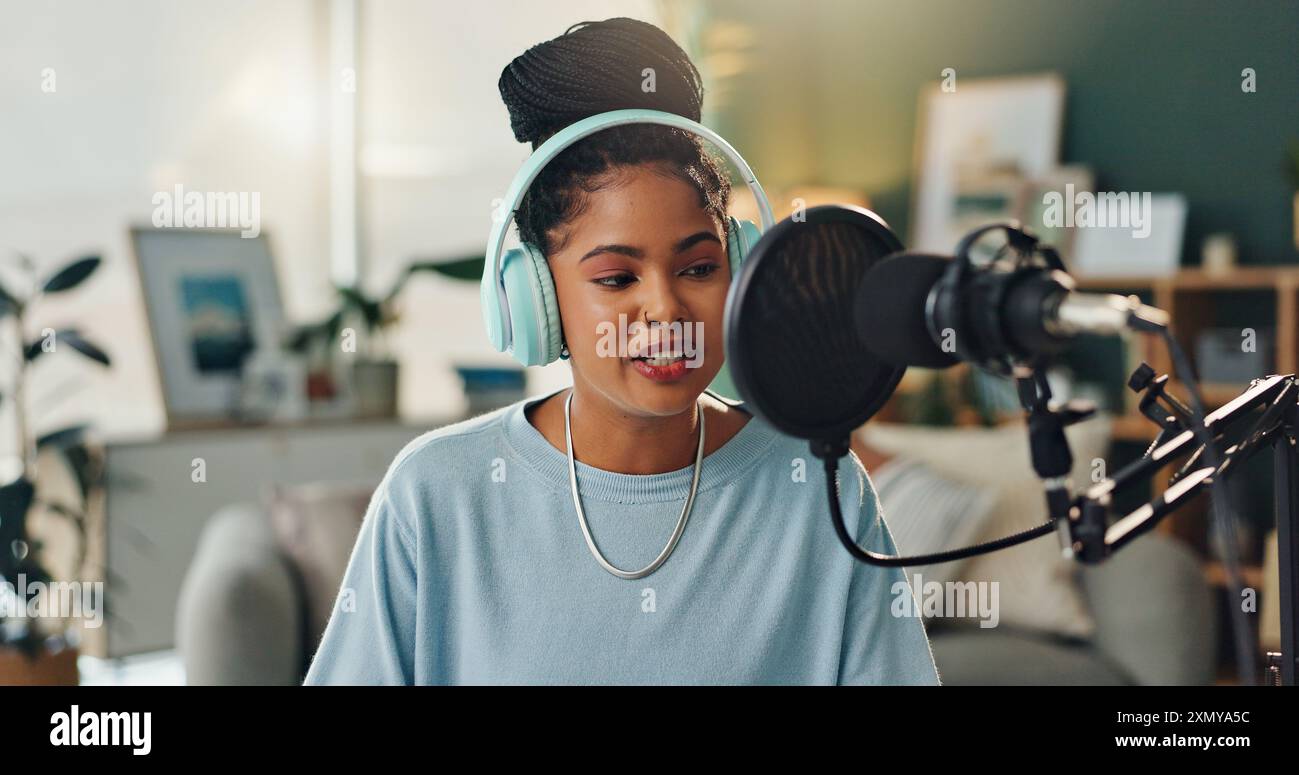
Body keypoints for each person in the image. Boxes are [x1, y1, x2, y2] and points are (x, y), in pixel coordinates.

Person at [304, 17, 940, 685]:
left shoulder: (818, 488)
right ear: (535, 295)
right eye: (616, 277)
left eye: (698, 268)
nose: (665, 309)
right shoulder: (435, 495)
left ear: (743, 267)